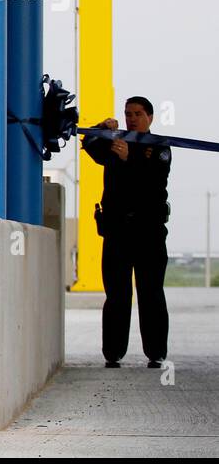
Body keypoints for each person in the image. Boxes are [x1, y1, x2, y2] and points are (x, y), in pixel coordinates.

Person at [81, 96, 171, 369]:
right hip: (117, 232)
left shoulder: (159, 147)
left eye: (138, 114)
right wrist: (102, 127)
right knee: (117, 294)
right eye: (128, 113)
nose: (132, 118)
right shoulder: (115, 141)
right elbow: (89, 145)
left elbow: (154, 179)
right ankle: (113, 353)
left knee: (151, 292)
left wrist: (128, 158)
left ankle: (156, 353)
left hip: (149, 232)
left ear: (150, 117)